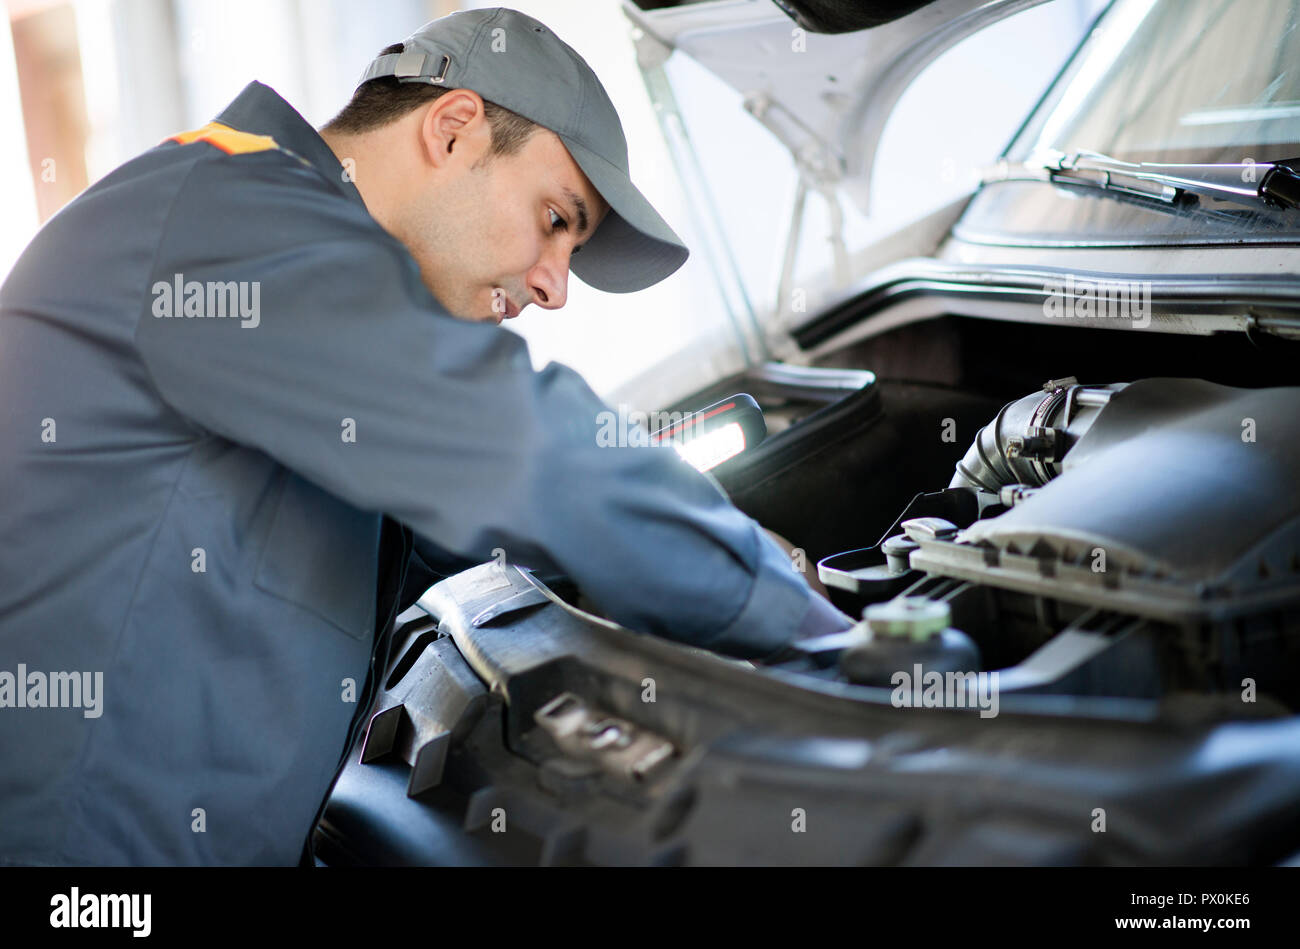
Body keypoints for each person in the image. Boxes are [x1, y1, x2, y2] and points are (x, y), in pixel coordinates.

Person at [0, 7, 852, 866]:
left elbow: (452, 524)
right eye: (557, 219)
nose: (557, 288)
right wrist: (818, 632)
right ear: (451, 130)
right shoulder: (230, 216)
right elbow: (515, 440)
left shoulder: (296, 304)